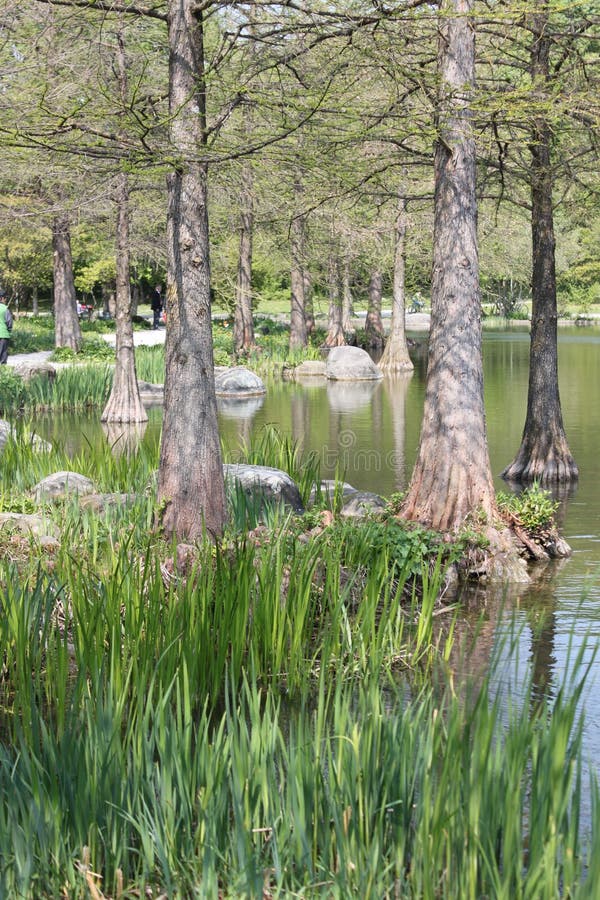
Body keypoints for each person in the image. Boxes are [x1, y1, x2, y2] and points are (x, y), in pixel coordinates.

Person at [0, 286, 13, 365]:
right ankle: (3, 371)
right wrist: (9, 331)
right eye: (5, 298)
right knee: (3, 354)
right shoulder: (5, 309)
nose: (5, 300)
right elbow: (9, 322)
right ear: (1, 298)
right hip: (4, 335)